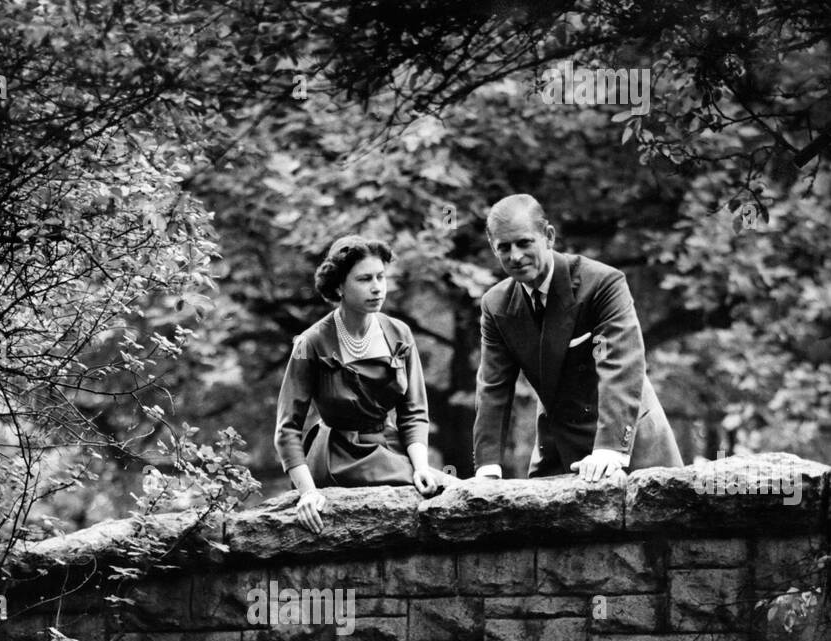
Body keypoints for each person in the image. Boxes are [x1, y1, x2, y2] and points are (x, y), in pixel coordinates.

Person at [472, 194, 683, 482]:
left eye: (524, 243)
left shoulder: (603, 283)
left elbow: (621, 366)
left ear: (548, 236)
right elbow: (493, 388)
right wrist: (487, 468)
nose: (515, 256)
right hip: (559, 446)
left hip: (630, 447)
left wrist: (609, 451)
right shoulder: (495, 305)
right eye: (503, 248)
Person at [274, 234, 457, 533]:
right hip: (339, 454)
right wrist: (307, 492)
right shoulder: (312, 342)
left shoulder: (399, 333)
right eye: (364, 279)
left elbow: (413, 413)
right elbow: (287, 429)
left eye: (381, 277)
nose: (376, 287)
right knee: (445, 489)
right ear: (338, 287)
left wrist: (421, 466)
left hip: (390, 446)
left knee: (447, 488)